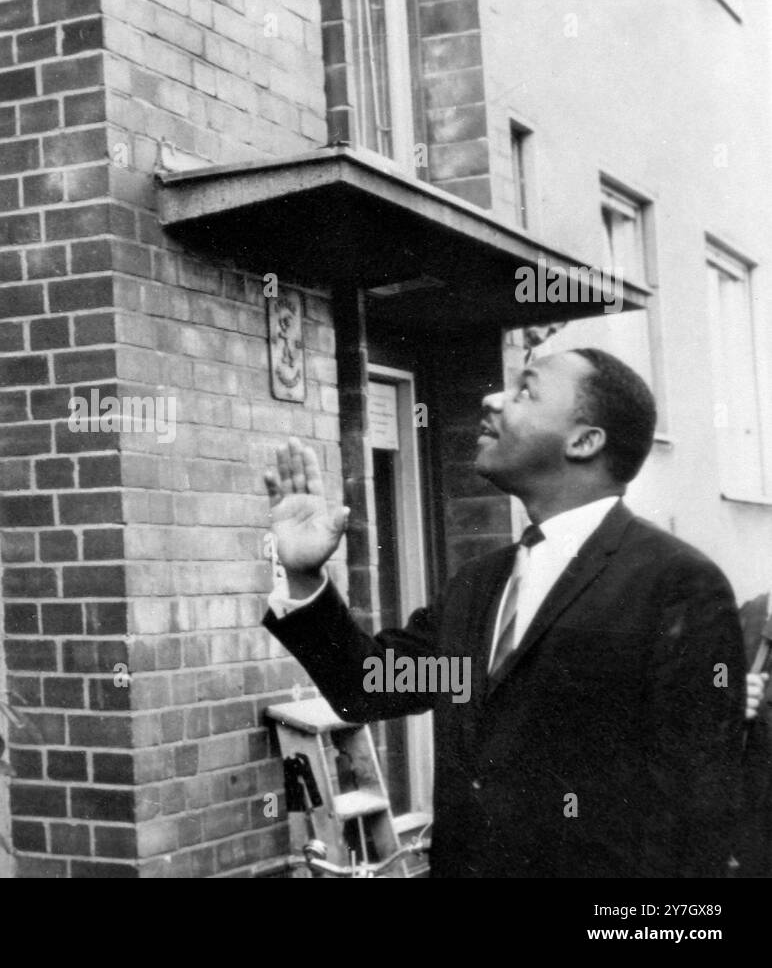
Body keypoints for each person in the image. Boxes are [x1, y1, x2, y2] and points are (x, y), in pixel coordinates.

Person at [262, 348, 746, 877]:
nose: (492, 400)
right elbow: (368, 684)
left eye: (525, 391)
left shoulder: (676, 585)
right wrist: (307, 578)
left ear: (584, 441)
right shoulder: (479, 586)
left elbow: (694, 817)